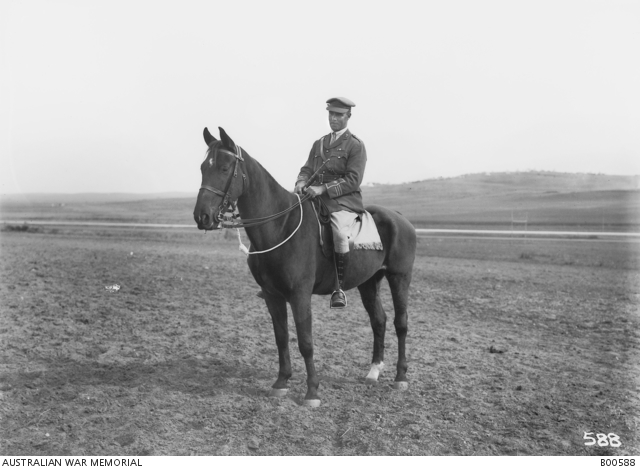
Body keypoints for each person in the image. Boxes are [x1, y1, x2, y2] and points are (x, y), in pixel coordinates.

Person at [294, 97, 367, 309]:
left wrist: (324, 188)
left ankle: (339, 288)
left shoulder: (355, 146)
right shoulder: (319, 143)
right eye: (331, 114)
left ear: (348, 117)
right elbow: (307, 168)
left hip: (343, 200)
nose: (334, 118)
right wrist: (301, 181)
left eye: (339, 115)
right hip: (314, 196)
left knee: (338, 234)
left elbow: (353, 179)